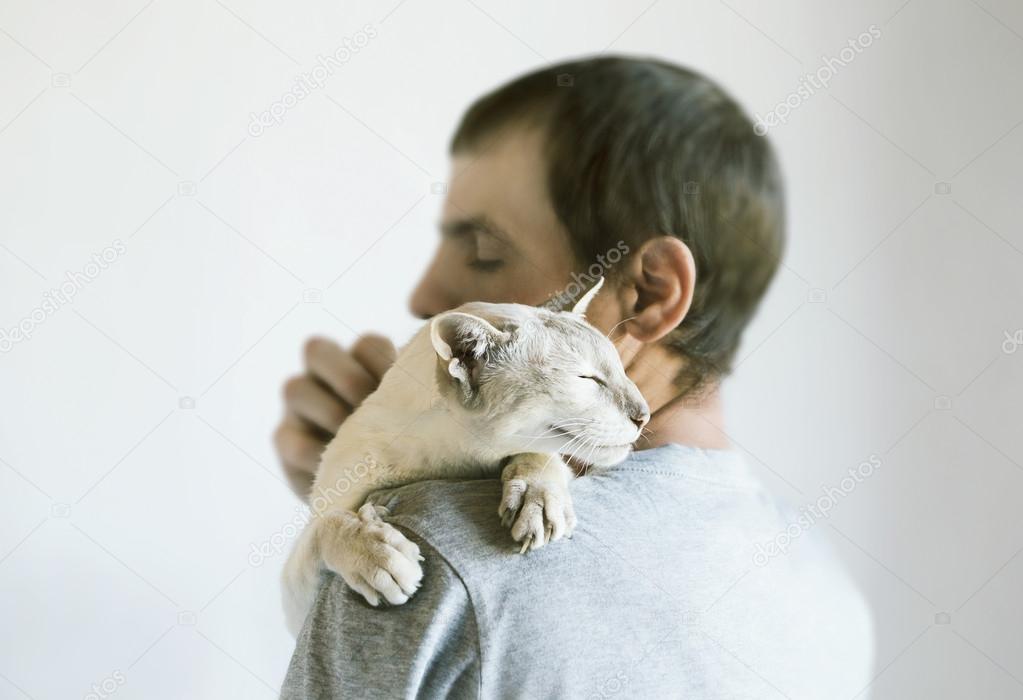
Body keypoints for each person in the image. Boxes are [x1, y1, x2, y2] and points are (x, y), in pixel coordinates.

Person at [274, 56, 874, 699]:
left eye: (483, 251)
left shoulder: (436, 552)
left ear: (648, 292)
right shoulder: (826, 585)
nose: (426, 293)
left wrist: (366, 528)